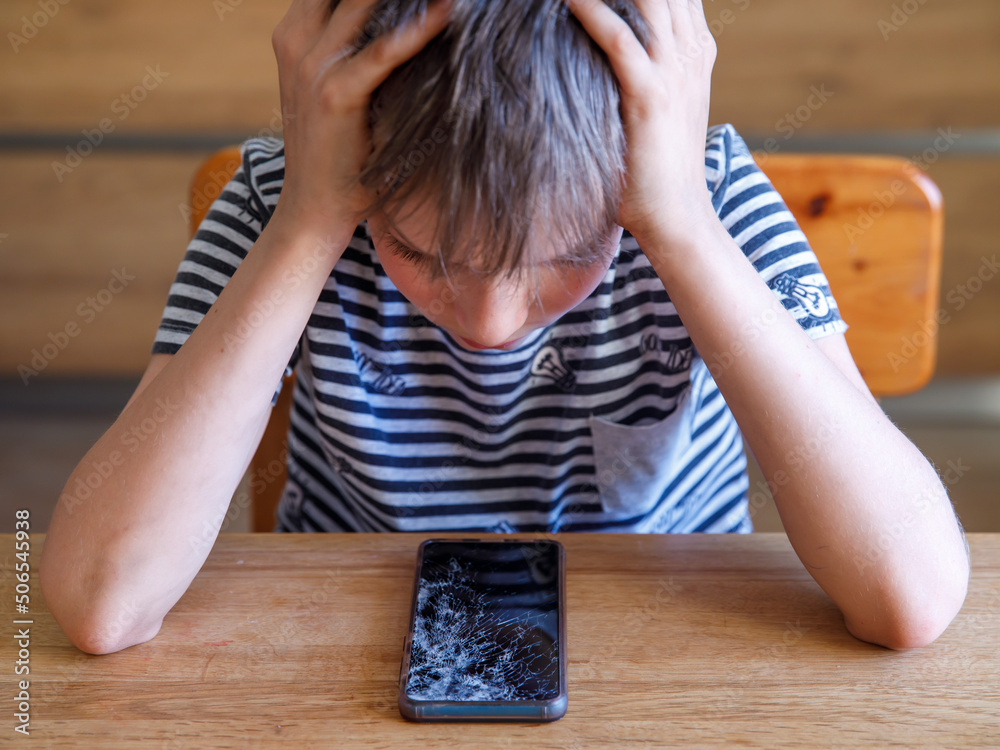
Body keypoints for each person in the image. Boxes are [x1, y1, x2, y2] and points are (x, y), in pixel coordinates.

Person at [39, 0, 969, 656]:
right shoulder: (282, 207)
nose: (491, 325)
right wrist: (308, 224)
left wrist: (681, 226)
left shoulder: (705, 204)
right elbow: (101, 601)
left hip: (670, 642)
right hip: (338, 645)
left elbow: (910, 593)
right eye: (418, 249)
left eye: (564, 255)